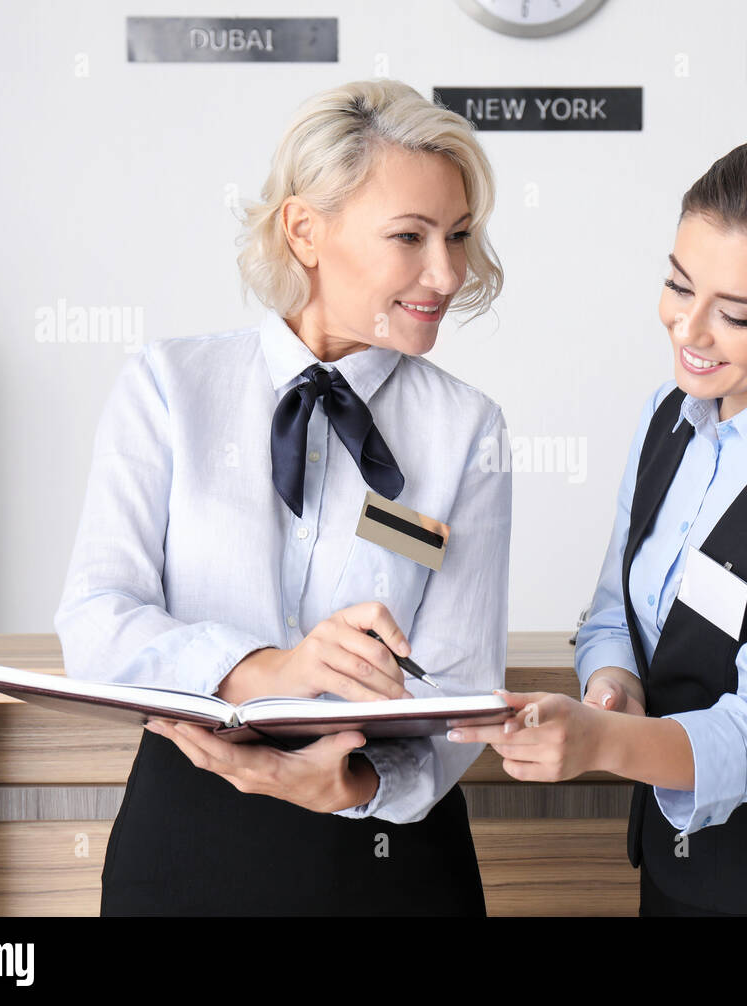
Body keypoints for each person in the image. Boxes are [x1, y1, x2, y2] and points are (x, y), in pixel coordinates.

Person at [449, 133, 747, 917]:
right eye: (680, 287)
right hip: (673, 884)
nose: (690, 331)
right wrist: (613, 690)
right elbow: (613, 610)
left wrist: (601, 743)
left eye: (738, 315)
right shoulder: (668, 419)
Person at [53, 79, 512, 916]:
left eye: (457, 236)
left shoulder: (468, 429)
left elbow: (460, 685)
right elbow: (94, 618)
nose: (446, 273)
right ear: (305, 230)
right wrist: (270, 671)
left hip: (385, 857)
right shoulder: (167, 387)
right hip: (186, 840)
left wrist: (352, 783)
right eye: (409, 236)